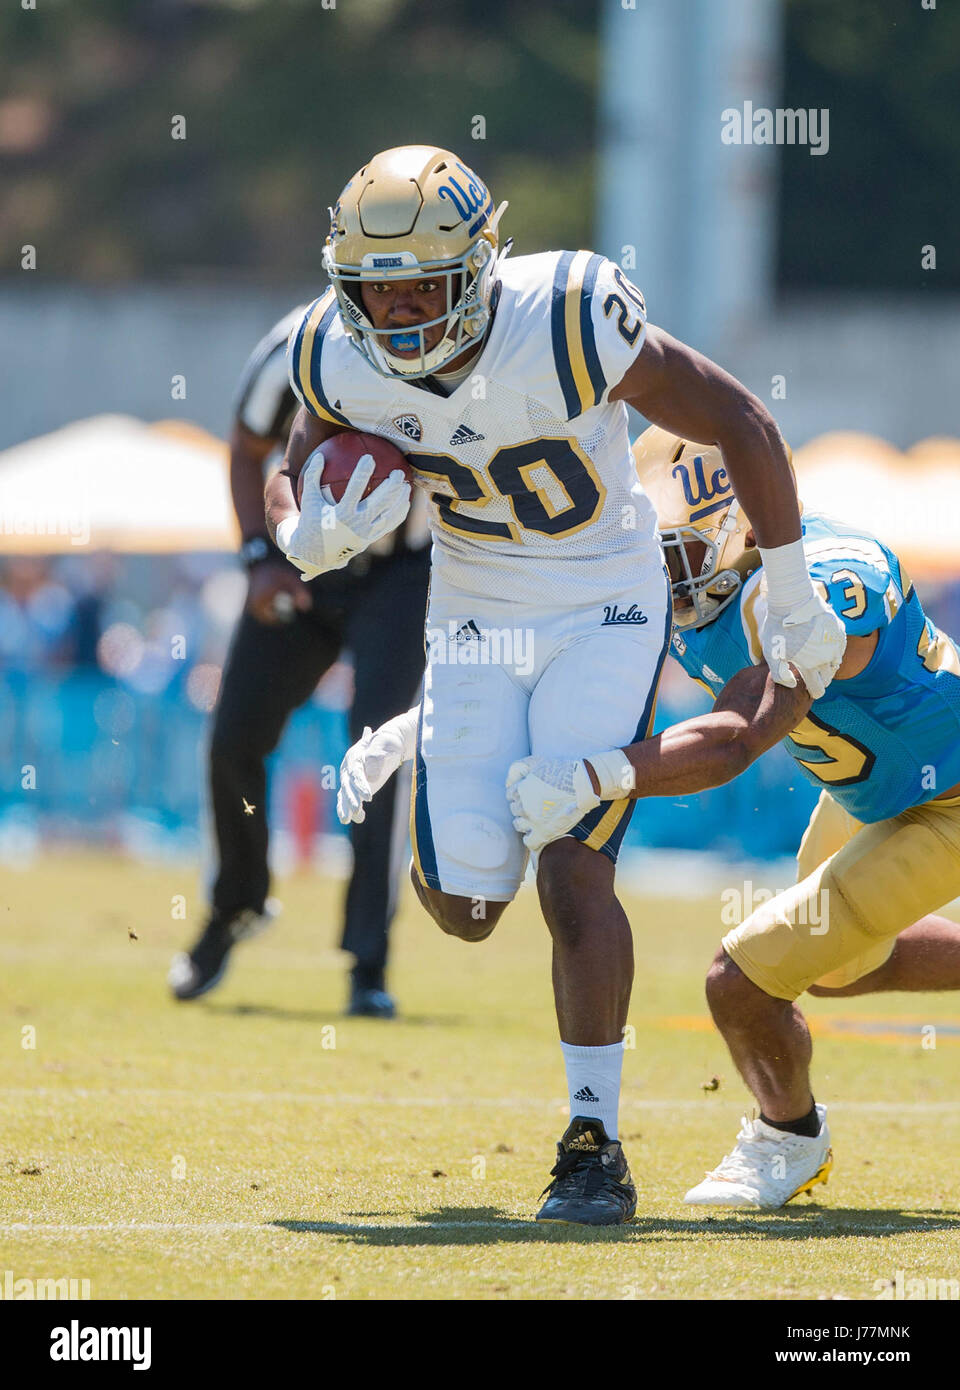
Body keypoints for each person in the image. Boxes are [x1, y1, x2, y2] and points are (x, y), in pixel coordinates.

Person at [266, 145, 846, 1225]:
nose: (393, 312)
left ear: (481, 267)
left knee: (572, 862)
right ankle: (425, 727)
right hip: (476, 606)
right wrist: (301, 530)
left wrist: (793, 583)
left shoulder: (569, 314)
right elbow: (291, 452)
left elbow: (741, 420)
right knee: (466, 904)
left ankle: (594, 1145)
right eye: (375, 289)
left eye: (419, 286)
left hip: (604, 599)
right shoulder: (334, 351)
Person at [501, 425, 960, 1208]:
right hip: (872, 800)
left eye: (675, 552)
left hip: (946, 801)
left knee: (741, 982)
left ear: (740, 522)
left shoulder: (824, 581)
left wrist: (594, 778)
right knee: (839, 971)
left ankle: (788, 1139)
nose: (662, 576)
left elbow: (734, 739)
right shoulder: (707, 597)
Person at [168, 306, 430, 1017]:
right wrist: (258, 556)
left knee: (375, 753)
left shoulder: (446, 348)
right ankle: (237, 903)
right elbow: (248, 445)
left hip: (401, 574)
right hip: (302, 564)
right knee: (233, 739)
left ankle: (366, 962)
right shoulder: (296, 344)